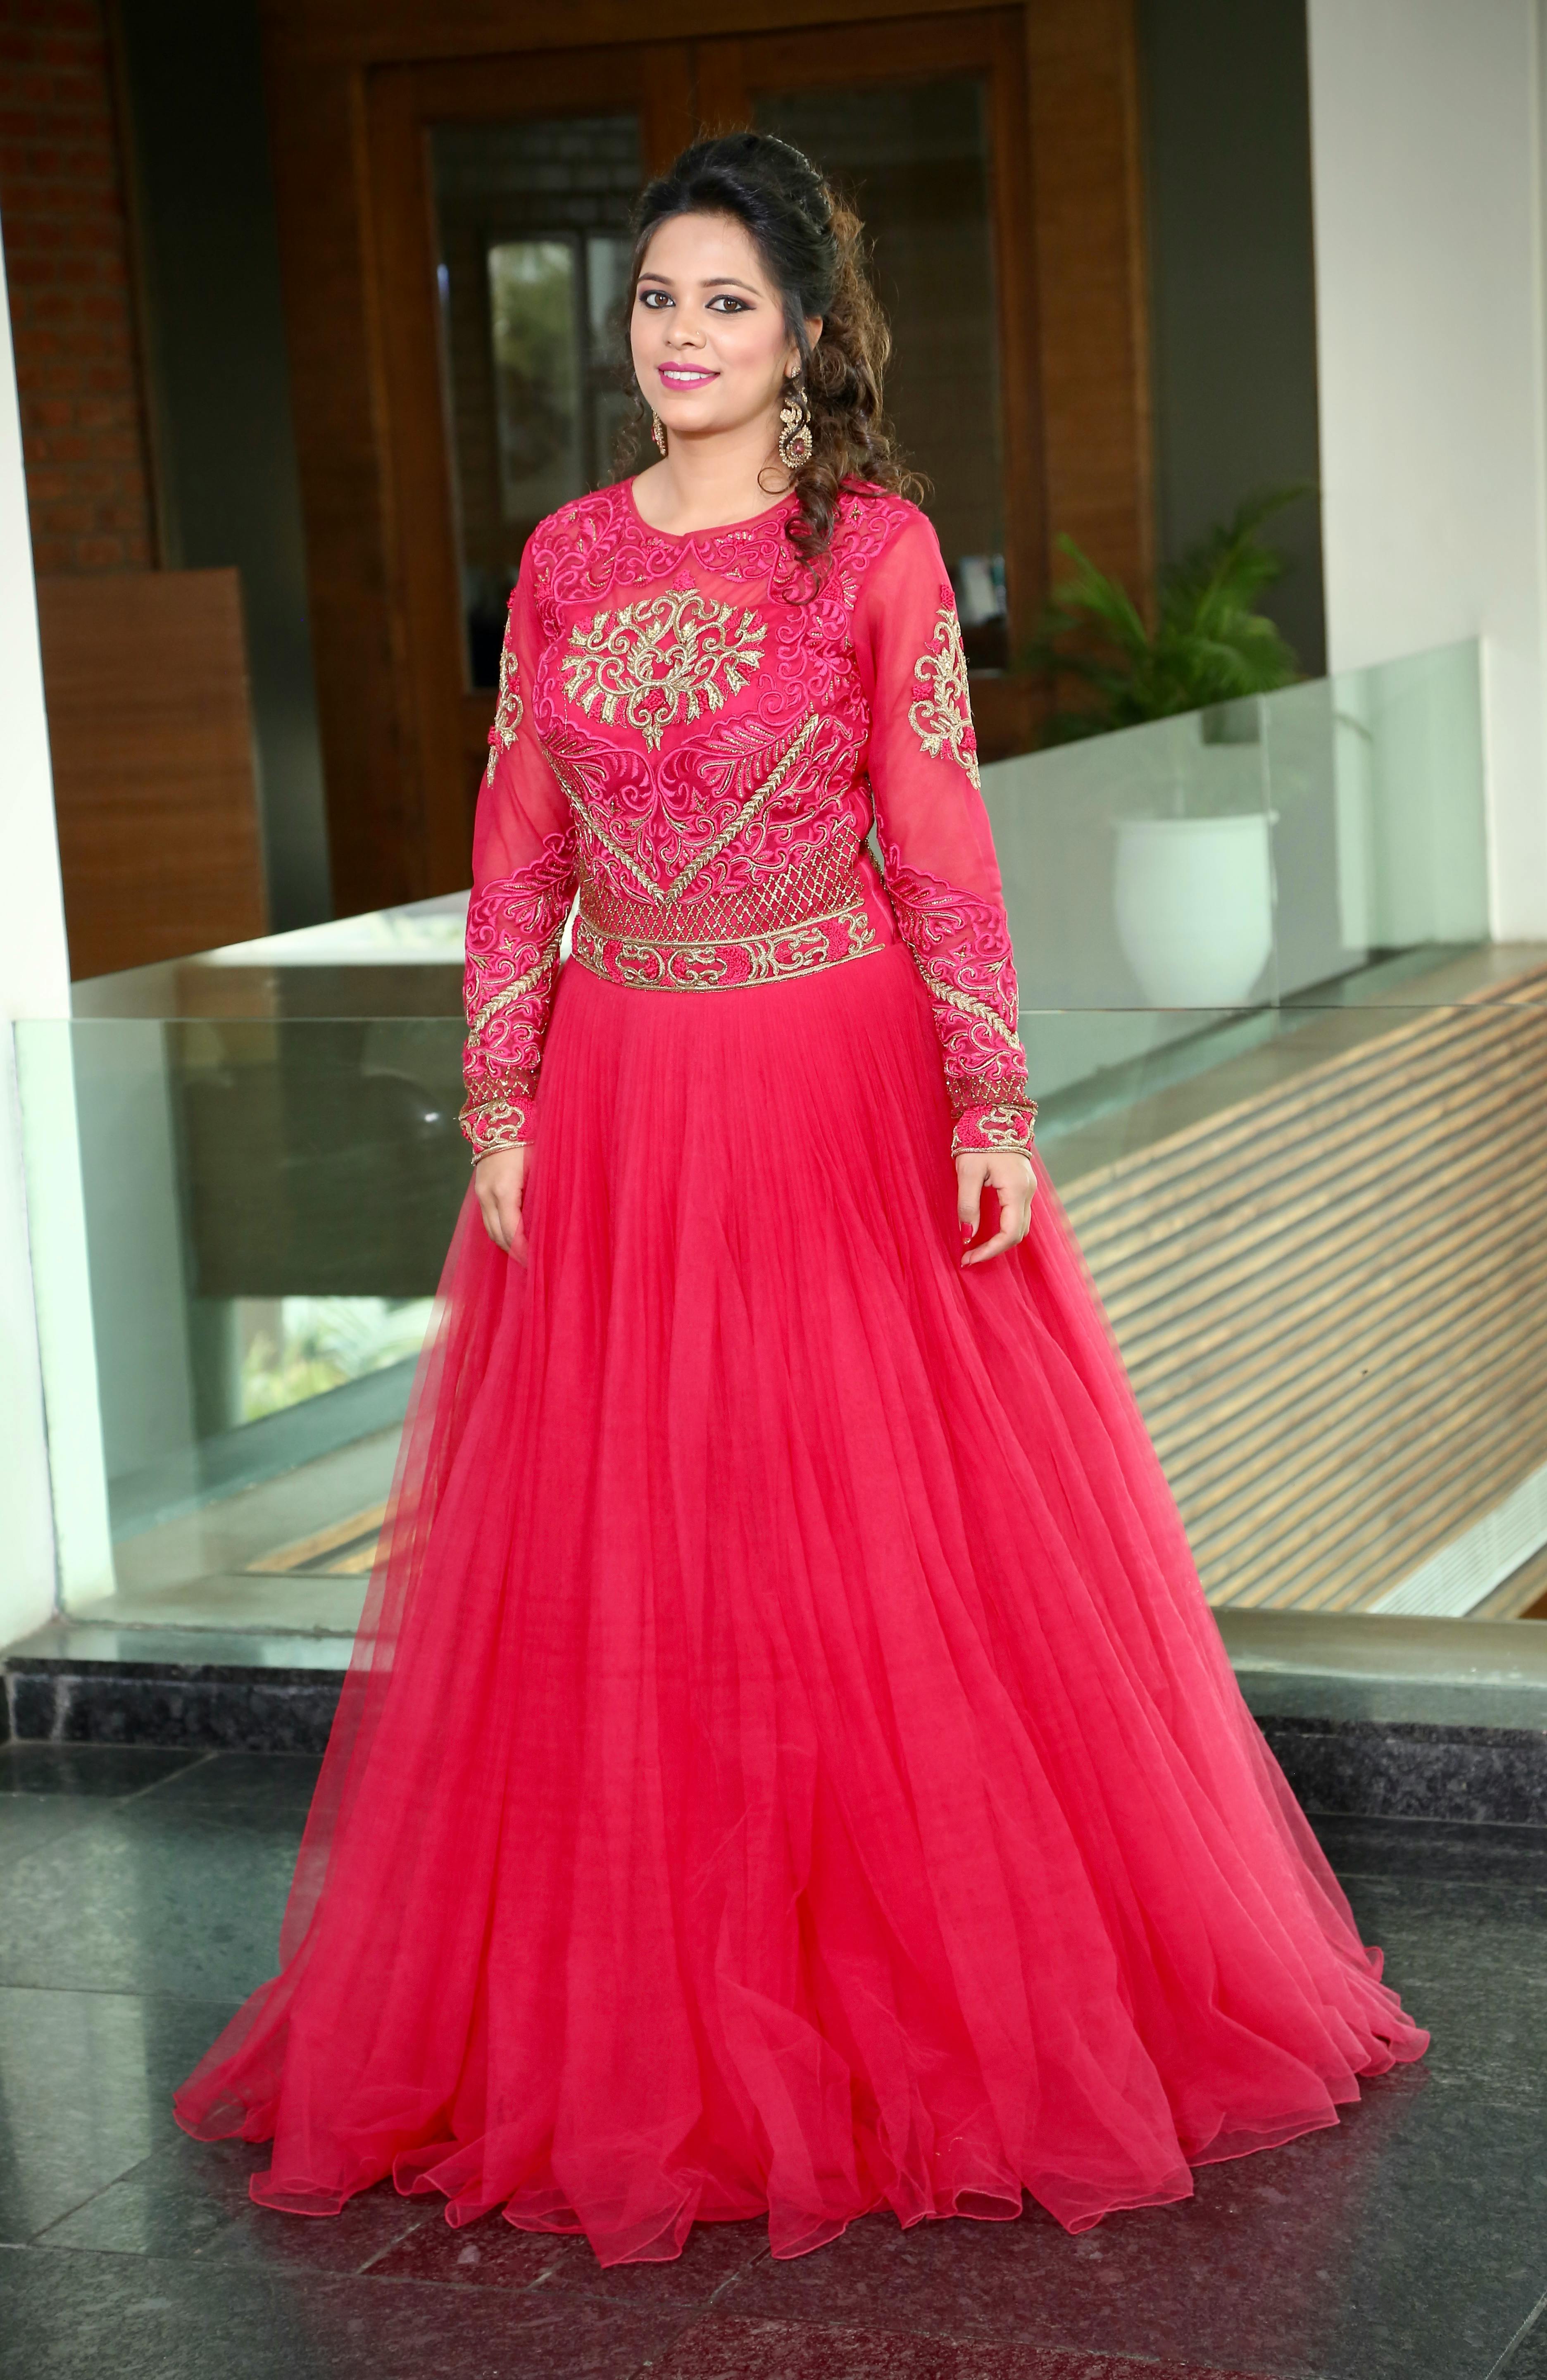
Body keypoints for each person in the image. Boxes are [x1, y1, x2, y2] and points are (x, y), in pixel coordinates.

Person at [175, 131, 1426, 2266]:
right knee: (640, 1546)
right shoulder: (563, 562)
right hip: (623, 1096)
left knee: (861, 1529)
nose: (681, 335)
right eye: (657, 299)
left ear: (805, 334)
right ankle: (649, 2012)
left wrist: (990, 1100)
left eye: (726, 302)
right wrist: (500, 1101)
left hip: (838, 1088)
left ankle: (904, 2007)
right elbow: (517, 845)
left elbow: (936, 832)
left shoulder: (878, 555)